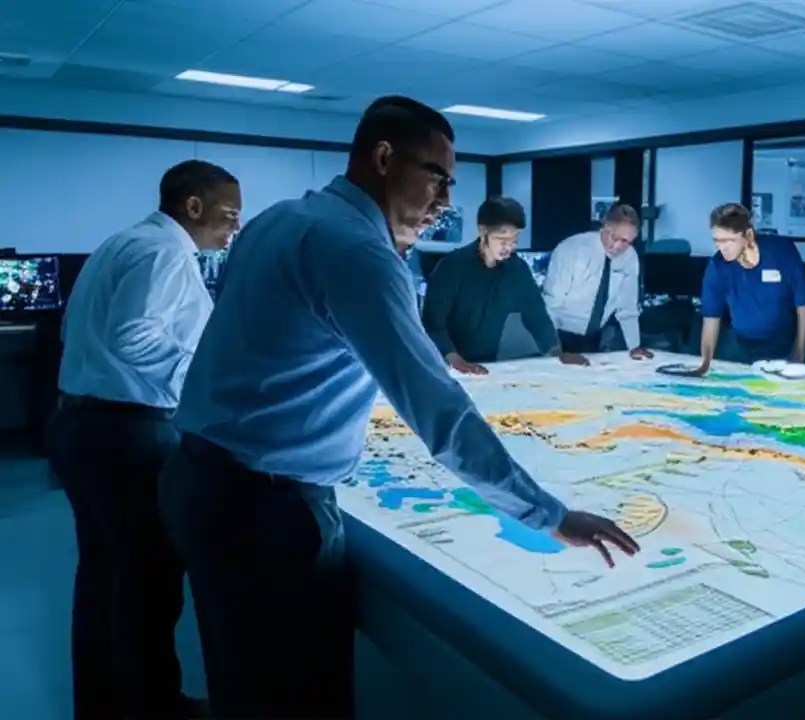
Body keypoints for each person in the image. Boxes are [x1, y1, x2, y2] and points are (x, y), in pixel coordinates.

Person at [157, 97, 639, 719]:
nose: (445, 200)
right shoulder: (357, 251)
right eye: (436, 176)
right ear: (383, 157)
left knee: (244, 681)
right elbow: (437, 409)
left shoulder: (279, 220)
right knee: (296, 697)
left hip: (202, 480)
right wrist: (547, 515)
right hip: (264, 512)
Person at [50, 159, 241, 720]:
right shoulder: (166, 252)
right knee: (148, 582)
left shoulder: (120, 242)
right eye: (230, 214)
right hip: (127, 433)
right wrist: (199, 380)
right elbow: (133, 337)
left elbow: (75, 329)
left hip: (82, 426)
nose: (235, 228)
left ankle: (104, 703)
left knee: (103, 576)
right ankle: (154, 707)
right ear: (194, 206)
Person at [423, 196, 589, 375]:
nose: (509, 247)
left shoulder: (517, 270)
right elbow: (433, 323)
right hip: (444, 366)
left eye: (514, 239)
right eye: (502, 239)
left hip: (488, 366)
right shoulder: (451, 267)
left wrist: (557, 353)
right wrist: (455, 360)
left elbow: (537, 316)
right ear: (482, 231)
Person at [693, 203, 805, 373]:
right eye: (716, 241)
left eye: (729, 241)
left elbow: (803, 304)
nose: (721, 247)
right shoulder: (717, 266)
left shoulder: (781, 251)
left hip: (781, 342)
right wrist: (704, 363)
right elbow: (711, 319)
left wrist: (799, 351)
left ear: (748, 235)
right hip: (740, 343)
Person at [542, 202, 652, 360]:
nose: (617, 246)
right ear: (605, 226)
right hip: (560, 333)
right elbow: (551, 305)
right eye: (614, 237)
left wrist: (634, 347)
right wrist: (555, 351)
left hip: (594, 337)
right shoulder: (572, 249)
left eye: (626, 241)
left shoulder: (630, 257)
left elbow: (627, 309)